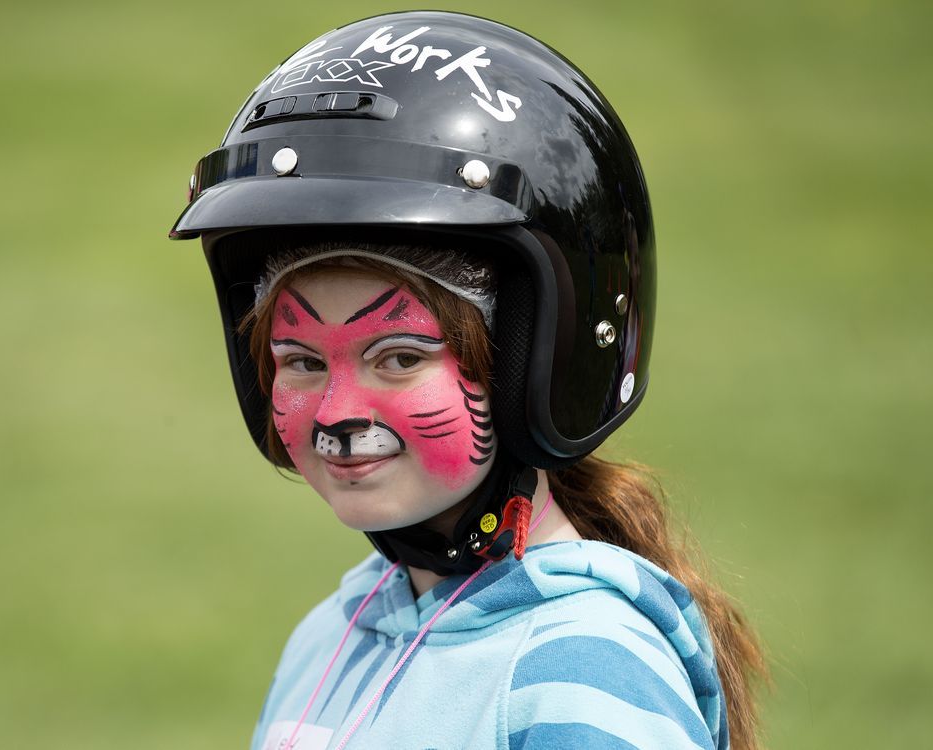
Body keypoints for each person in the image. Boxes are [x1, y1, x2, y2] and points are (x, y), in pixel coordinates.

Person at [169, 11, 765, 750]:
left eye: (400, 358)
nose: (338, 412)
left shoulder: (584, 667)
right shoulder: (334, 635)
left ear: (532, 366)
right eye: (302, 362)